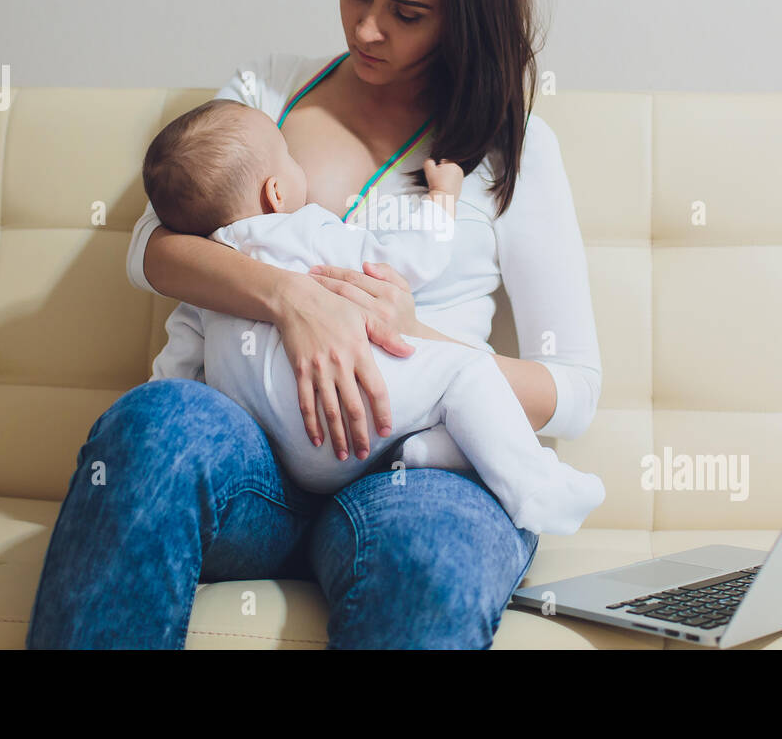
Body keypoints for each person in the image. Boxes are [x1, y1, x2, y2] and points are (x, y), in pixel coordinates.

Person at [26, 0, 602, 649]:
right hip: (249, 452)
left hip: (415, 471)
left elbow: (574, 387)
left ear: (464, 18)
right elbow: (154, 249)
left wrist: (412, 338)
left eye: (407, 13)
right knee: (152, 432)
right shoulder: (268, 92)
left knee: (433, 558)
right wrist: (290, 301)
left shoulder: (516, 152)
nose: (366, 29)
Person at [135, 98, 605, 533]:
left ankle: (424, 450)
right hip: (356, 420)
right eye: (291, 160)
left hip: (278, 445)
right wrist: (443, 200)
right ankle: (535, 487)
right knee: (468, 372)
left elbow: (174, 371)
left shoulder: (207, 286)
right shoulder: (307, 229)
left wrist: (147, 426)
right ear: (275, 192)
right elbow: (409, 261)